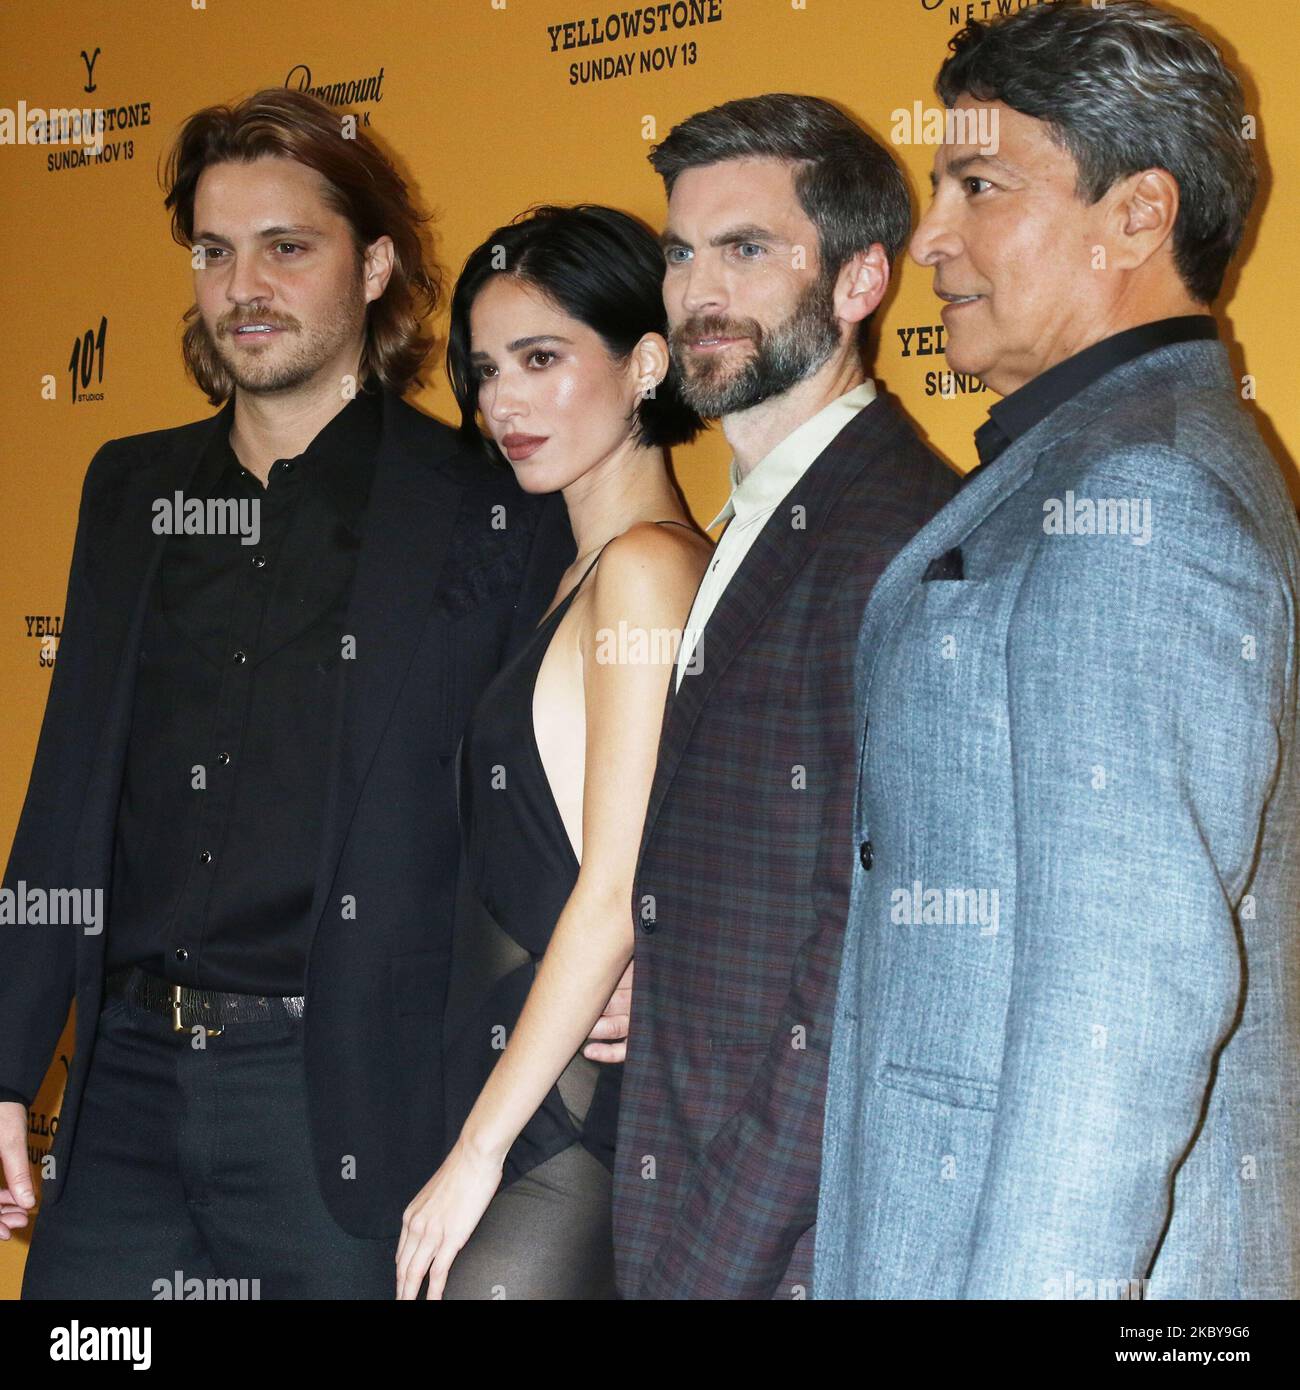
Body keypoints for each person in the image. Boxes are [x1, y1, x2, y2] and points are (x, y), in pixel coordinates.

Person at [0, 88, 628, 1299]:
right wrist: (7, 1061)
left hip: (337, 1107)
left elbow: (546, 790)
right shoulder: (126, 489)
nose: (245, 284)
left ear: (377, 262)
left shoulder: (486, 507)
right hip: (122, 1094)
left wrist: (628, 953)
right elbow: (66, 784)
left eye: (288, 247)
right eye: (215, 251)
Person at [816, 0, 1300, 1300]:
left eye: (981, 186)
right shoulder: (1113, 463)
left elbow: (1121, 1010)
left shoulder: (1143, 500)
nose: (933, 239)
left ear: (1136, 216)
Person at [610, 94, 961, 1300]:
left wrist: (713, 1261)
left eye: (748, 249)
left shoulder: (897, 540)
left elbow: (864, 959)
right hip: (687, 1191)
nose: (698, 290)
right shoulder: (744, 525)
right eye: (680, 252)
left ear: (862, 280)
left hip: (778, 1247)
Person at [395, 205, 711, 1300]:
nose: (504, 403)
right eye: (486, 370)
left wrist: (475, 1154)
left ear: (646, 366)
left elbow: (616, 890)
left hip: (566, 1128)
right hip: (527, 1097)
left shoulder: (646, 569)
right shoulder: (578, 575)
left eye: (542, 357)